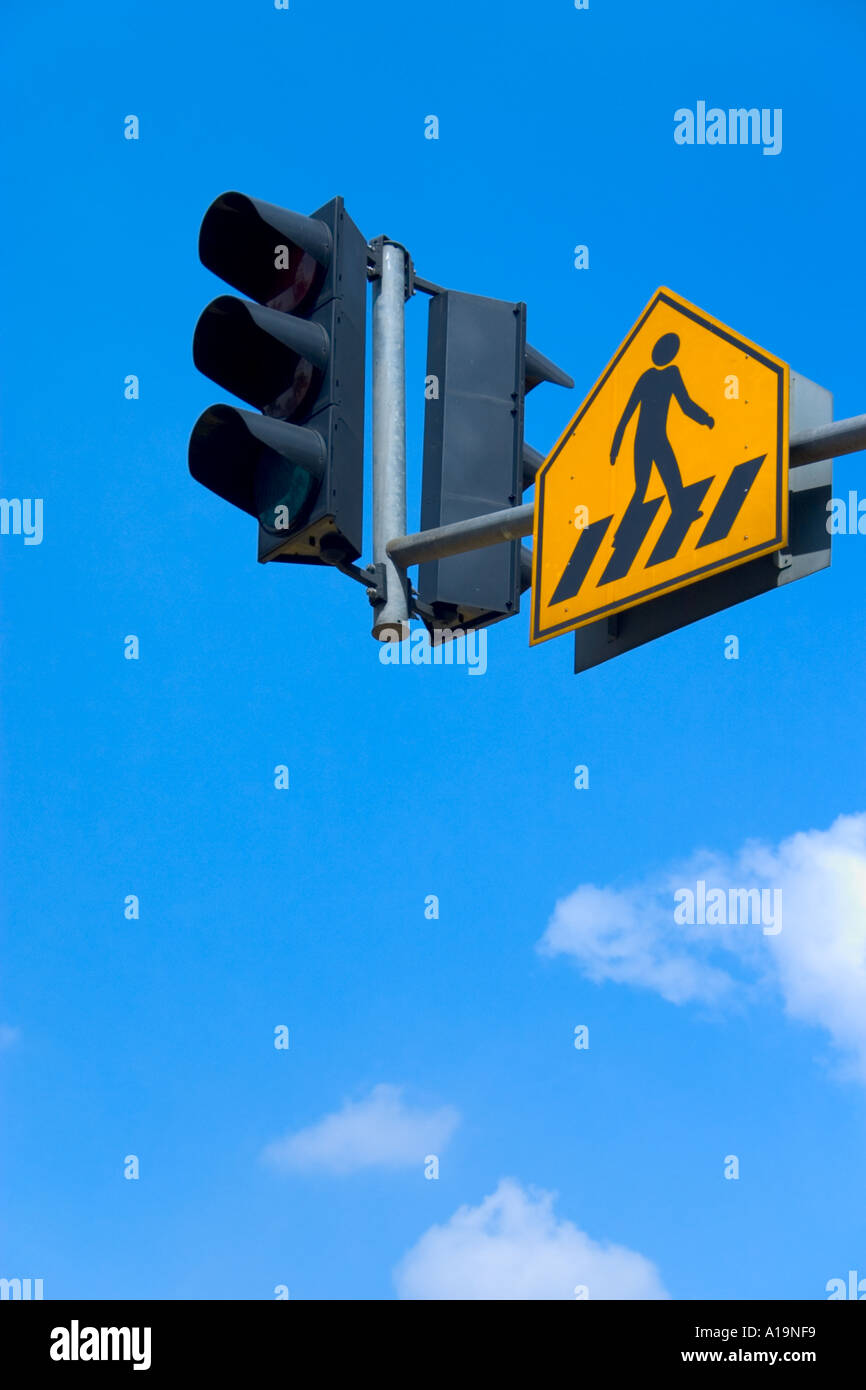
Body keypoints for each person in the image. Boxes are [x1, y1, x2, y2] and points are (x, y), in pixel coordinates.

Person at [609, 332, 714, 530]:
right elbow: (626, 416)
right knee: (647, 485)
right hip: (651, 439)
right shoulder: (662, 375)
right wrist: (706, 419)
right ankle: (625, 531)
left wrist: (704, 418)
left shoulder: (656, 376)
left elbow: (685, 405)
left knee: (666, 479)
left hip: (647, 440)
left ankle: (681, 514)